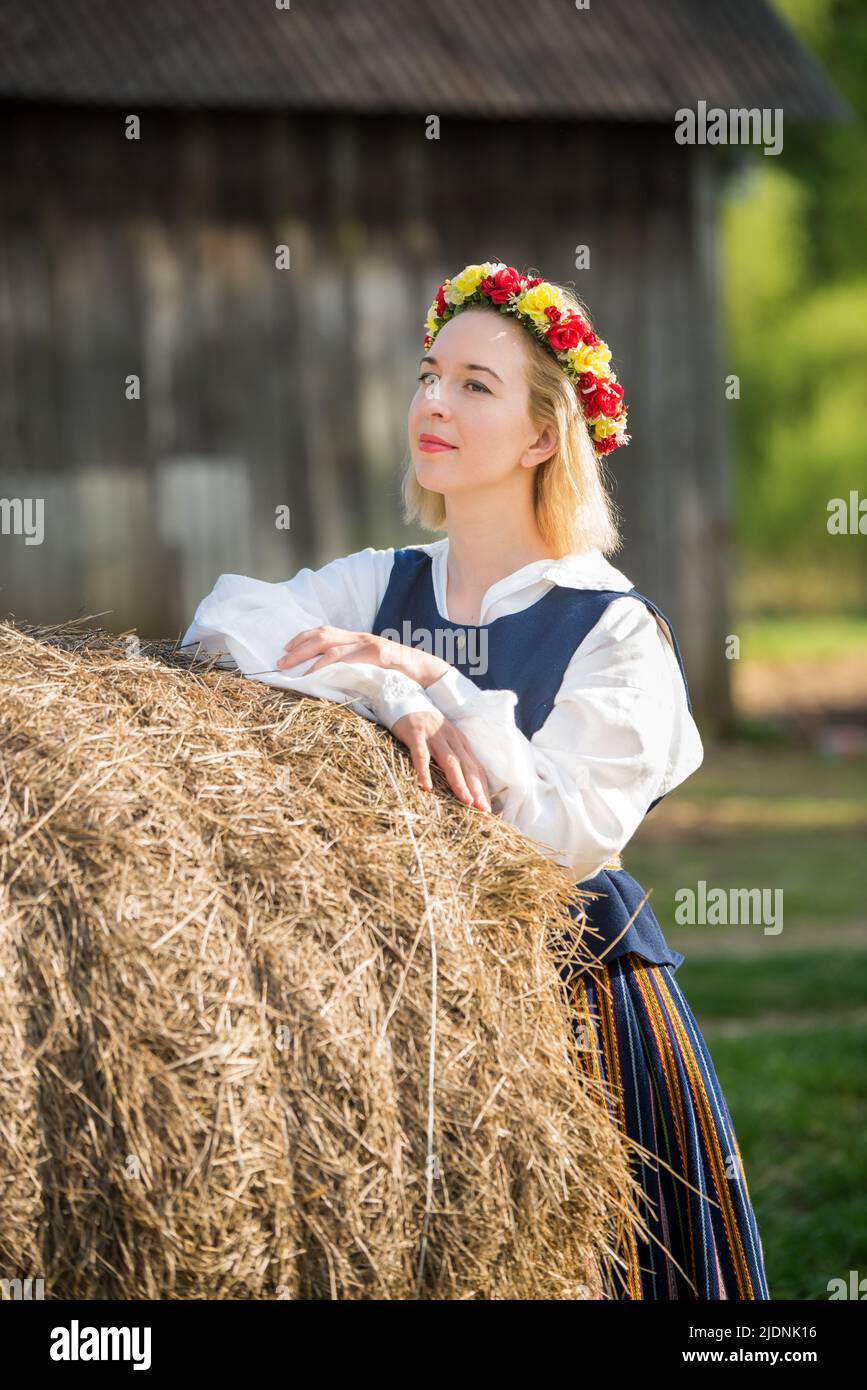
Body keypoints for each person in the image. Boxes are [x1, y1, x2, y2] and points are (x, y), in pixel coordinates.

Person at [182, 260, 770, 1300]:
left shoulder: (615, 629)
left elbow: (555, 837)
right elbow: (226, 627)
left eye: (476, 385)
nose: (433, 403)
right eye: (428, 373)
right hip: (400, 989)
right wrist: (382, 685)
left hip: (567, 1007)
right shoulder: (384, 582)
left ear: (546, 436)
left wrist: (437, 675)